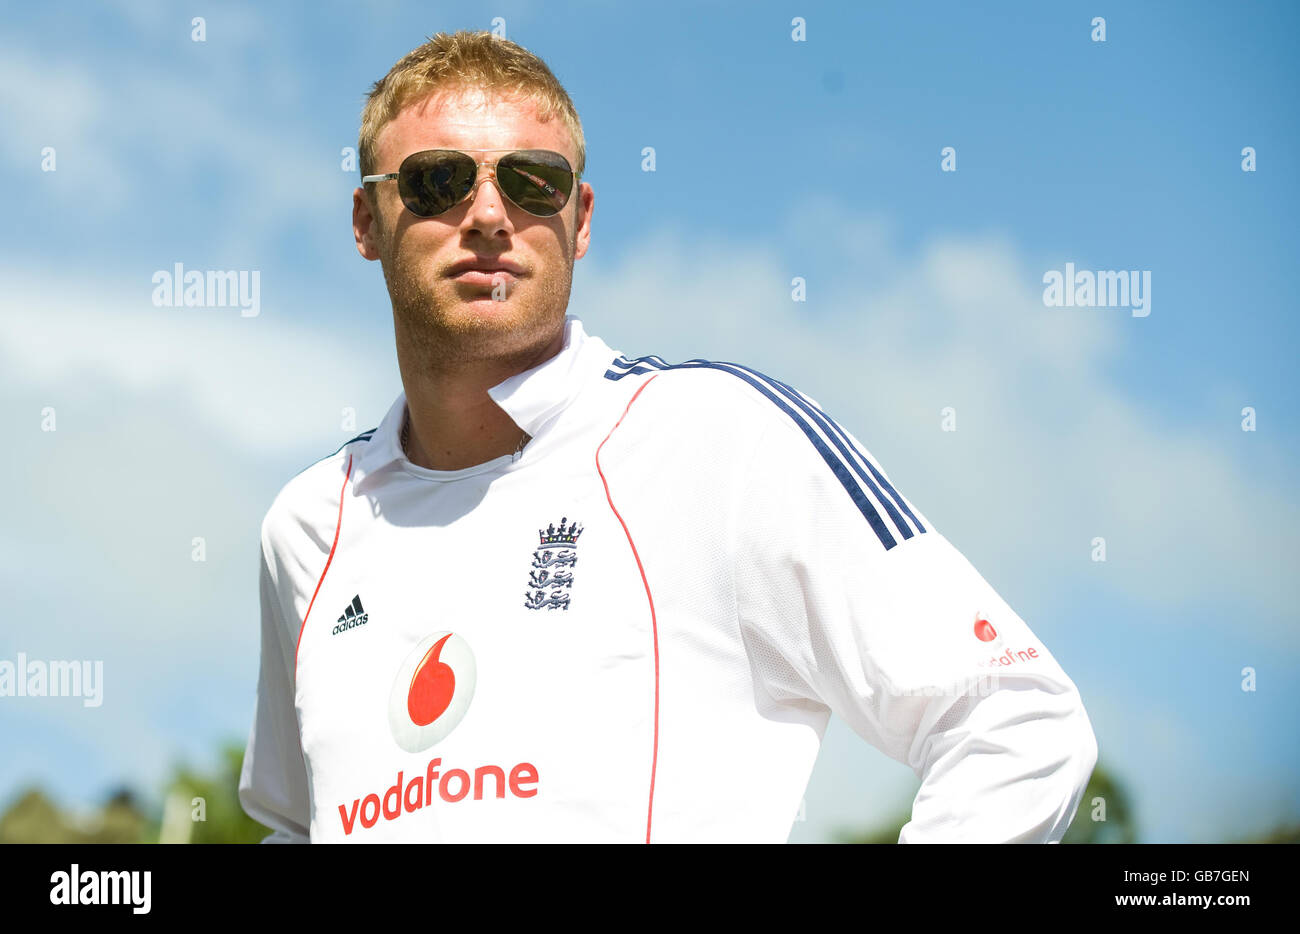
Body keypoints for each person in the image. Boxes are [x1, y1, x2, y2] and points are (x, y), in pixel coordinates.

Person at [238, 30, 1098, 843]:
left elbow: (1014, 714)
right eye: (437, 181)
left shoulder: (721, 436)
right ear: (364, 221)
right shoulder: (307, 525)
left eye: (533, 181)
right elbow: (295, 825)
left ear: (579, 219)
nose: (491, 214)